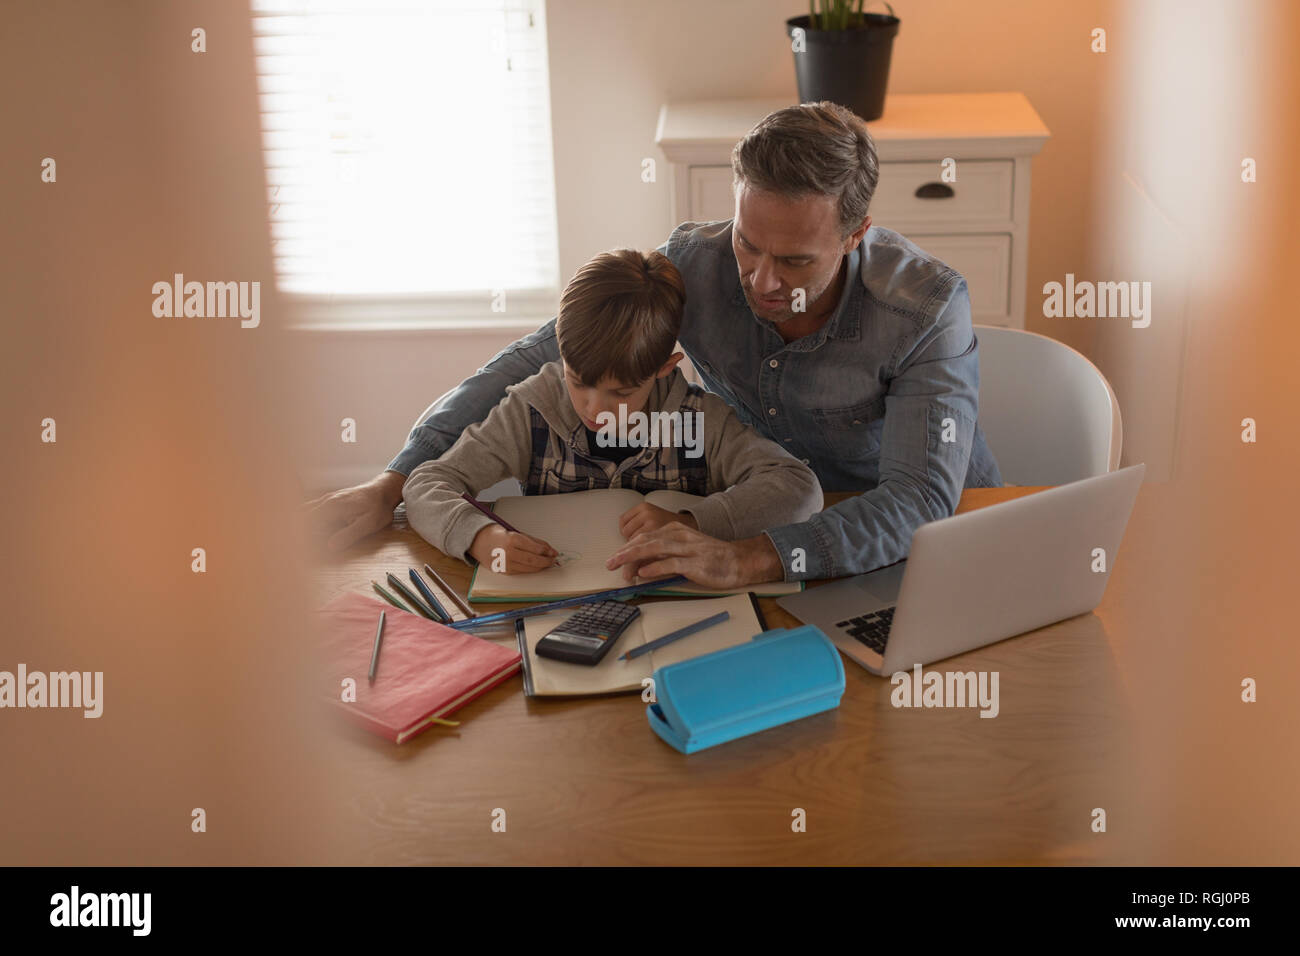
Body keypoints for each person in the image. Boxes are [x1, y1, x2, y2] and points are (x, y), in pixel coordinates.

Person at [306, 100, 1003, 588]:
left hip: (916, 546)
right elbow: (543, 357)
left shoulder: (927, 310)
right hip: (762, 528)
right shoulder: (693, 265)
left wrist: (753, 557)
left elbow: (916, 499)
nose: (759, 281)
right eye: (747, 244)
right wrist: (394, 480)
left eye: (793, 263)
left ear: (856, 237)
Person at [400, 249, 822, 574]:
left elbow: (800, 489)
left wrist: (692, 521)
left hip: (676, 610)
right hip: (552, 604)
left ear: (663, 368)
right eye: (578, 380)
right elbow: (426, 483)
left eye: (620, 392)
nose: (594, 408)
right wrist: (481, 538)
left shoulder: (699, 420)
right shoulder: (530, 410)